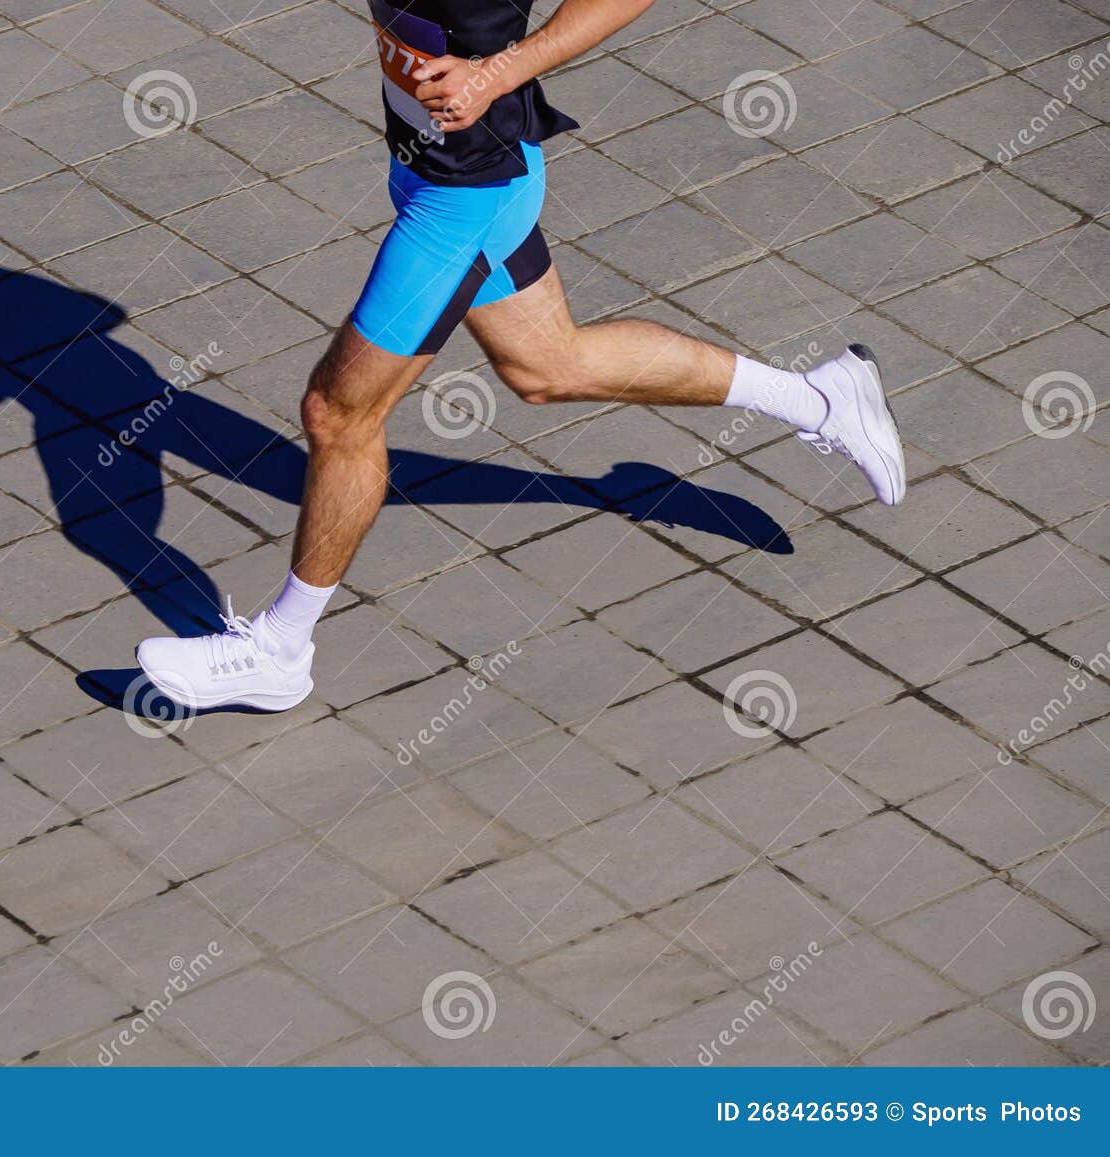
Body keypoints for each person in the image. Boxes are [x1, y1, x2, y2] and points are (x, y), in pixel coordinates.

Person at [136, 0, 904, 713]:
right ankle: (823, 398)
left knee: (339, 414)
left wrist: (497, 72)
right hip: (427, 167)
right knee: (548, 367)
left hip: (466, 194)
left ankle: (280, 647)